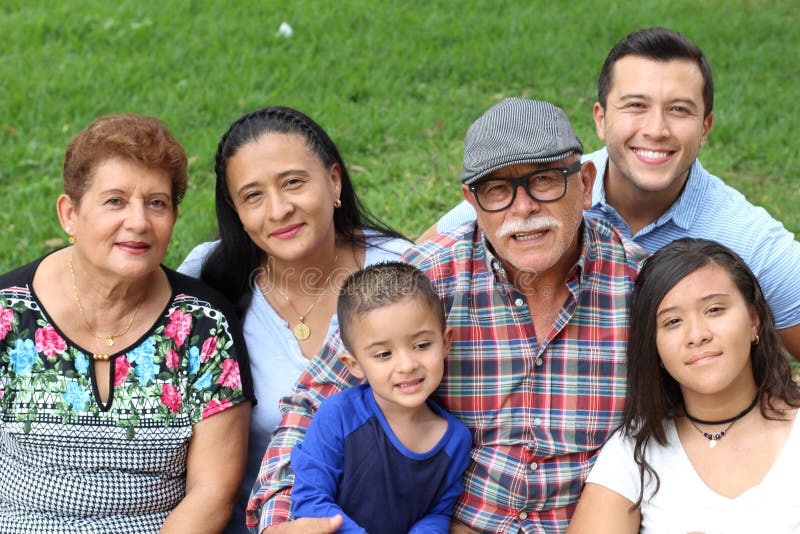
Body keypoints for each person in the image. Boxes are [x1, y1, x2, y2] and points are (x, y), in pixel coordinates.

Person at [248, 98, 647, 533]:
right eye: (497, 190)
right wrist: (282, 520)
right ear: (471, 201)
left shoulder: (640, 287)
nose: (524, 207)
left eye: (545, 181)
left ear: (586, 183)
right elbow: (312, 401)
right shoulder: (426, 279)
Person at [421, 27, 800, 359]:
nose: (656, 129)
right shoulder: (544, 186)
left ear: (705, 128)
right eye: (636, 105)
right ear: (601, 119)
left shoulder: (747, 238)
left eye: (680, 110)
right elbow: (409, 273)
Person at [0, 113, 253, 532]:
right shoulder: (8, 313)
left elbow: (212, 491)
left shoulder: (202, 325)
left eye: (156, 203)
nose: (138, 222)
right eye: (115, 200)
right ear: (70, 214)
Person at [177, 106, 411, 533]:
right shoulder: (208, 279)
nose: (279, 209)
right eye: (253, 196)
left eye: (293, 183)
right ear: (235, 209)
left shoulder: (403, 273)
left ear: (334, 181)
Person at [568, 238, 800, 533]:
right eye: (673, 322)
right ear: (655, 348)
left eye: (714, 310)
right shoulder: (634, 452)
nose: (697, 335)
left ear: (754, 321)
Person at [290, 261, 472, 533]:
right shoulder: (339, 415)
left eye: (422, 345)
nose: (407, 365)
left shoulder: (455, 440)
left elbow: (437, 511)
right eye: (384, 354)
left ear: (445, 342)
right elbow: (310, 498)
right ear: (354, 365)